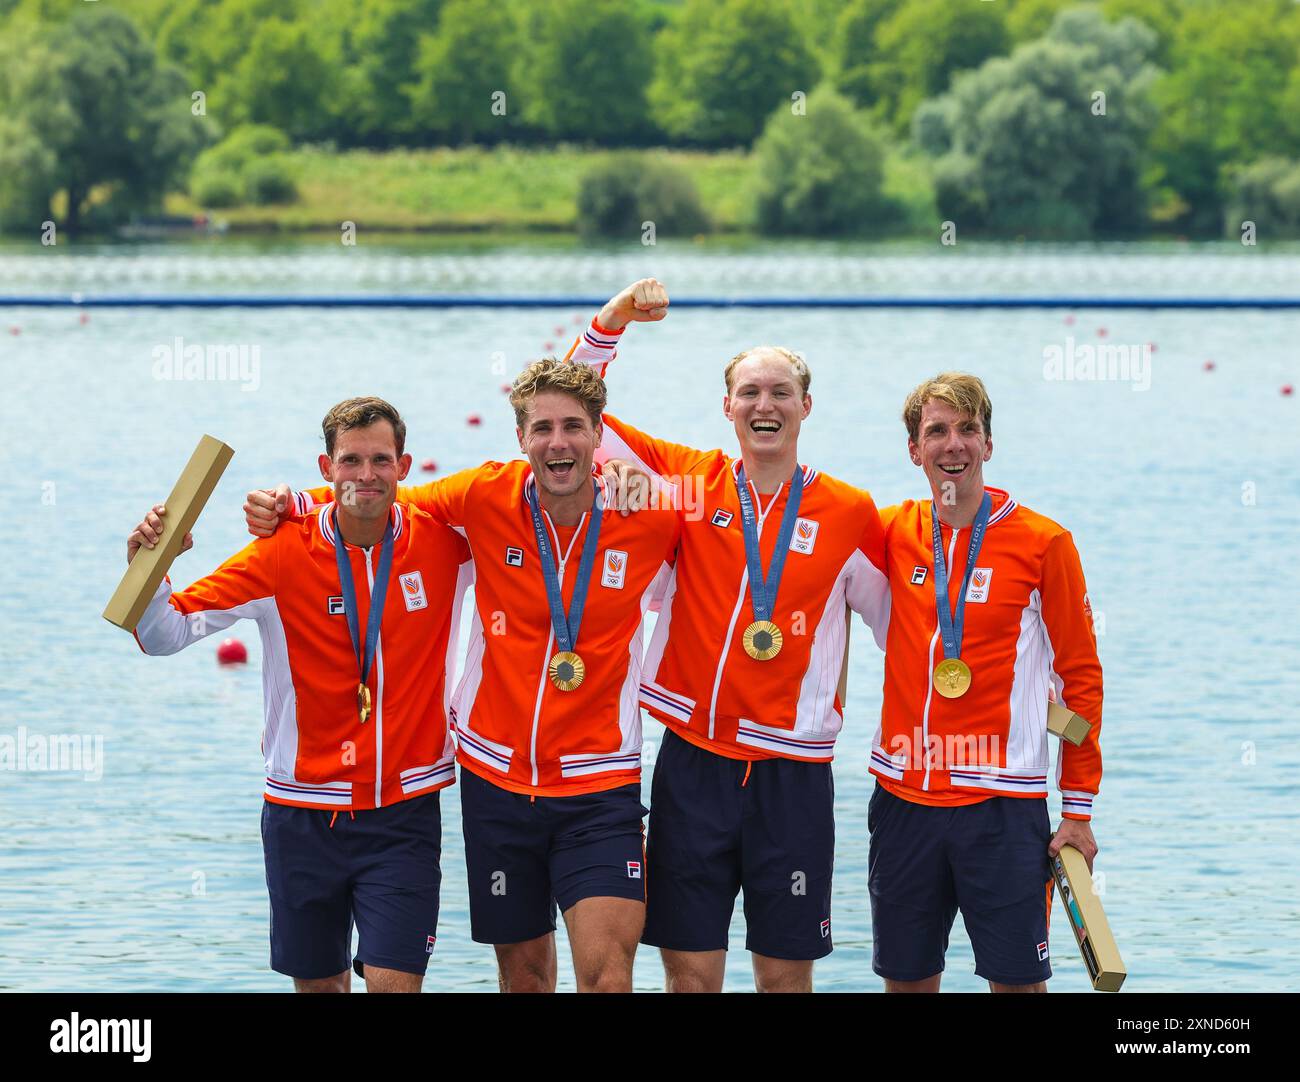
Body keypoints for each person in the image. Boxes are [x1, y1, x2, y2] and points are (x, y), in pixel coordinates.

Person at [245, 359, 680, 993]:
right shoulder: (483, 496)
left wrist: (641, 478)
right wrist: (291, 503)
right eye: (542, 428)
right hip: (495, 783)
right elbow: (382, 495)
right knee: (526, 977)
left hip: (600, 783)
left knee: (607, 976)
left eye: (574, 427)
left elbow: (726, 571)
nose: (558, 442)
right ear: (521, 438)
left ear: (597, 433)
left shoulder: (652, 518)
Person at [565, 279, 891, 993]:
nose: (764, 405)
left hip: (794, 779)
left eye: (780, 392)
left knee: (783, 979)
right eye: (749, 392)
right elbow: (570, 411)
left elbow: (912, 629)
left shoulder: (851, 514)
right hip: (694, 767)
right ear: (727, 407)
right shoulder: (687, 484)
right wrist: (611, 322)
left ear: (806, 406)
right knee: (690, 975)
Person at [127, 397, 471, 992]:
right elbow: (163, 635)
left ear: (405, 466)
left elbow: (528, 516)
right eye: (351, 461)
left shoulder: (444, 544)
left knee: (396, 985)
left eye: (381, 460)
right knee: (319, 988)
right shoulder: (281, 552)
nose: (366, 475)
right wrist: (149, 569)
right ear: (326, 467)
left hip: (405, 810)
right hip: (301, 812)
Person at [868, 372, 1103, 992]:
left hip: (1002, 805)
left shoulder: (1044, 542)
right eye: (936, 431)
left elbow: (1078, 678)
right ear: (914, 451)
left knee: (1018, 985)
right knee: (907, 984)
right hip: (903, 800)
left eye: (967, 429)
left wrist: (1077, 806)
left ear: (988, 444)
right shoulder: (891, 531)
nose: (953, 445)